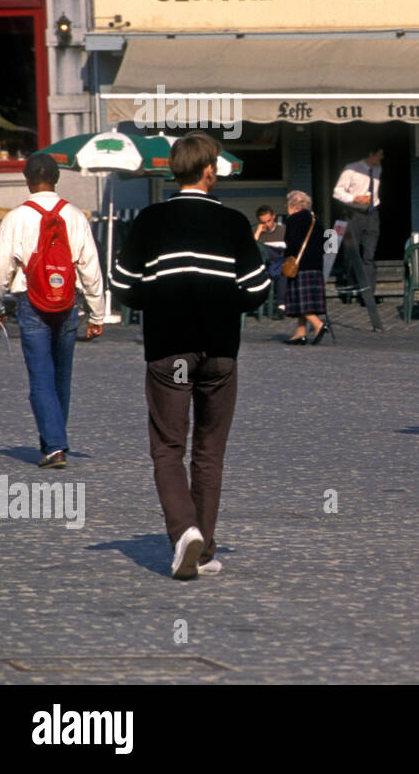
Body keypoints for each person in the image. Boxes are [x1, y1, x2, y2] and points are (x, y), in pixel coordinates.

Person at [110, 134, 270, 580]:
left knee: (167, 447)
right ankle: (203, 548)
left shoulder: (149, 220)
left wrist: (160, 297)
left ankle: (185, 532)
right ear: (208, 172)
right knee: (209, 450)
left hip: (168, 350)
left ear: (172, 170)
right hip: (220, 350)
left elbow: (122, 285)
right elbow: (258, 289)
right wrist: (221, 301)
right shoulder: (235, 223)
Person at [0, 153, 105, 469]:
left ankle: (54, 445)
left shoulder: (16, 217)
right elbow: (90, 267)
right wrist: (97, 313)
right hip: (68, 301)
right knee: (61, 376)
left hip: (31, 301)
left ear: (26, 179)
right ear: (57, 178)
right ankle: (54, 442)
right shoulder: (76, 216)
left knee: (40, 375)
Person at [332, 146, 384, 331]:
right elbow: (337, 192)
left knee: (369, 255)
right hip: (354, 214)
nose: (382, 157)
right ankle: (348, 286)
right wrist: (355, 198)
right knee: (351, 254)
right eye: (379, 154)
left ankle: (367, 296)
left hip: (372, 214)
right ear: (370, 154)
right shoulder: (351, 169)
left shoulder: (378, 169)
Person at [282, 190, 329, 345]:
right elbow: (326, 243)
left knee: (300, 300)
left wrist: (286, 255)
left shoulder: (293, 219)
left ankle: (318, 324)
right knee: (306, 300)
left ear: (293, 206)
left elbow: (293, 242)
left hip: (300, 265)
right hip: (316, 264)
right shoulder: (316, 219)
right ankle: (300, 333)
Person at [253, 204, 287, 311]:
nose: (267, 224)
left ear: (273, 217)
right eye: (263, 222)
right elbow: (251, 249)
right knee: (261, 247)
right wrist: (258, 232)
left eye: (269, 220)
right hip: (266, 266)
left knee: (283, 268)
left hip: (280, 264)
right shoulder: (258, 234)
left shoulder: (284, 230)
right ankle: (281, 304)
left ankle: (281, 305)